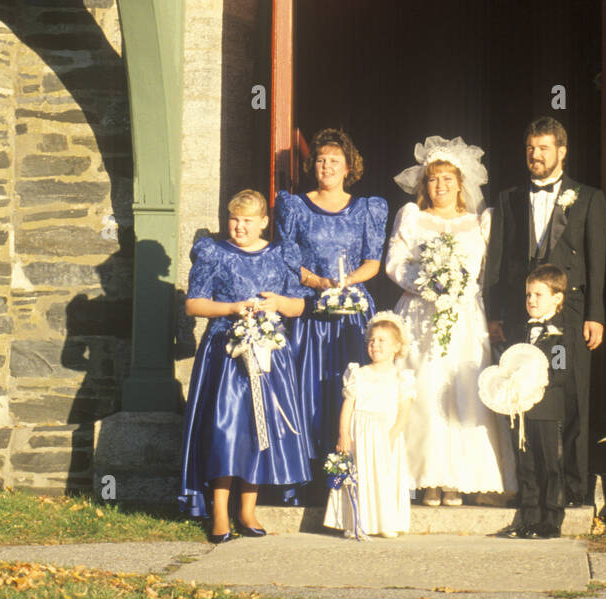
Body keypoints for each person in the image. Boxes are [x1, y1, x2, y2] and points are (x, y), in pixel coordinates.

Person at [385, 135, 515, 506]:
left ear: (461, 184)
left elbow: (491, 273)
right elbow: (394, 263)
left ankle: (456, 478)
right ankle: (426, 477)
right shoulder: (412, 217)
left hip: (464, 318)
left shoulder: (480, 222)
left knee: (462, 392)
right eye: (432, 179)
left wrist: (458, 290)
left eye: (447, 180)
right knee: (423, 390)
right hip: (420, 313)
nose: (439, 187)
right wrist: (427, 286)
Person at [486, 116, 606, 505]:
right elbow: (499, 261)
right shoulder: (508, 198)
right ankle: (530, 486)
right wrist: (495, 314)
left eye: (543, 148)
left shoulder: (588, 197)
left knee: (571, 396)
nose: (535, 155)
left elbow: (597, 262)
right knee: (523, 398)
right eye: (530, 148)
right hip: (524, 313)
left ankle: (574, 488)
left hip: (570, 314)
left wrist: (596, 313)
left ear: (562, 152)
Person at [178, 189, 310, 541]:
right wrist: (232, 308)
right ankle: (219, 510)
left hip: (269, 355)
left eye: (248, 221)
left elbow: (298, 306)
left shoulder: (280, 254)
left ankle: (247, 509)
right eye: (234, 219)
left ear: (264, 222)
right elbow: (194, 304)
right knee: (226, 429)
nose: (239, 227)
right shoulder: (213, 252)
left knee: (258, 427)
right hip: (225, 352)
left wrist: (280, 303)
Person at [274, 129, 388, 487]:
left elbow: (373, 262)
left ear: (348, 167)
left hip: (352, 310)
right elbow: (286, 259)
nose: (326, 166)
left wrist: (346, 283)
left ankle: (352, 471)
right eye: (321, 160)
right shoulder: (294, 206)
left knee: (350, 387)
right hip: (310, 308)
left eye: (334, 161)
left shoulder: (367, 208)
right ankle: (307, 477)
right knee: (308, 388)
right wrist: (319, 284)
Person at [324, 312, 416, 539]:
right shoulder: (359, 373)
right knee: (360, 474)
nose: (375, 345)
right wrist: (343, 434)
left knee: (384, 476)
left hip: (386, 433)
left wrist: (392, 435)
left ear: (396, 346)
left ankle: (386, 521)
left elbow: (404, 411)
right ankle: (357, 520)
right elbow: (348, 406)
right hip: (361, 432)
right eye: (371, 341)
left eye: (382, 341)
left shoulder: (401, 377)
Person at [505, 265, 568, 540]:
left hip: (547, 407)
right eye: (528, 294)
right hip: (521, 409)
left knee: (551, 464)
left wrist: (535, 382)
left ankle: (551, 519)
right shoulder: (521, 331)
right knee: (526, 462)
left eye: (538, 295)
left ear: (557, 298)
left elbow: (560, 371)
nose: (531, 300)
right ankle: (529, 518)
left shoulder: (561, 335)